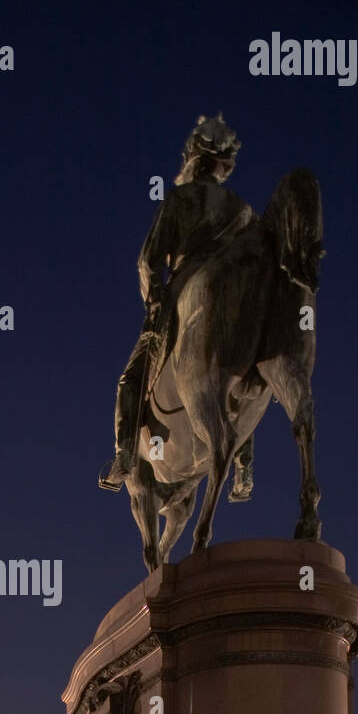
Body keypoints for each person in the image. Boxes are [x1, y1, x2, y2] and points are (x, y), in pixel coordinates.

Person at [99, 113, 255, 495]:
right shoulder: (242, 211)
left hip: (179, 302)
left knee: (129, 380)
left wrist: (154, 307)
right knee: (243, 380)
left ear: (194, 160)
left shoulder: (178, 199)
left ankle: (123, 456)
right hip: (232, 310)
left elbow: (147, 261)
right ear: (224, 164)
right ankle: (243, 463)